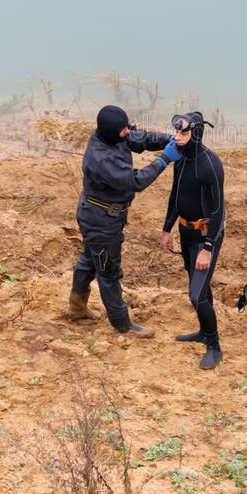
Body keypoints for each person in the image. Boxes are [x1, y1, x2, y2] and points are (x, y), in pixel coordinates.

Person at [69, 104, 181, 335]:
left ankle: (77, 308)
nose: (127, 132)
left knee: (91, 259)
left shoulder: (113, 134)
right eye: (123, 130)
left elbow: (141, 138)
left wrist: (172, 139)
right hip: (100, 219)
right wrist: (164, 159)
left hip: (98, 213)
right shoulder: (101, 158)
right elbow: (136, 181)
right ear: (112, 132)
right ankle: (122, 324)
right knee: (108, 271)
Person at [160, 111, 225, 369]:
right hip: (186, 233)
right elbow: (175, 196)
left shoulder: (211, 164)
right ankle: (203, 331)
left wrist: (208, 247)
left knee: (196, 295)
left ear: (195, 133)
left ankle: (214, 346)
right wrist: (167, 229)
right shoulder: (181, 159)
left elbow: (218, 210)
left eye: (183, 133)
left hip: (205, 235)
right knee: (199, 287)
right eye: (176, 132)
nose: (177, 136)